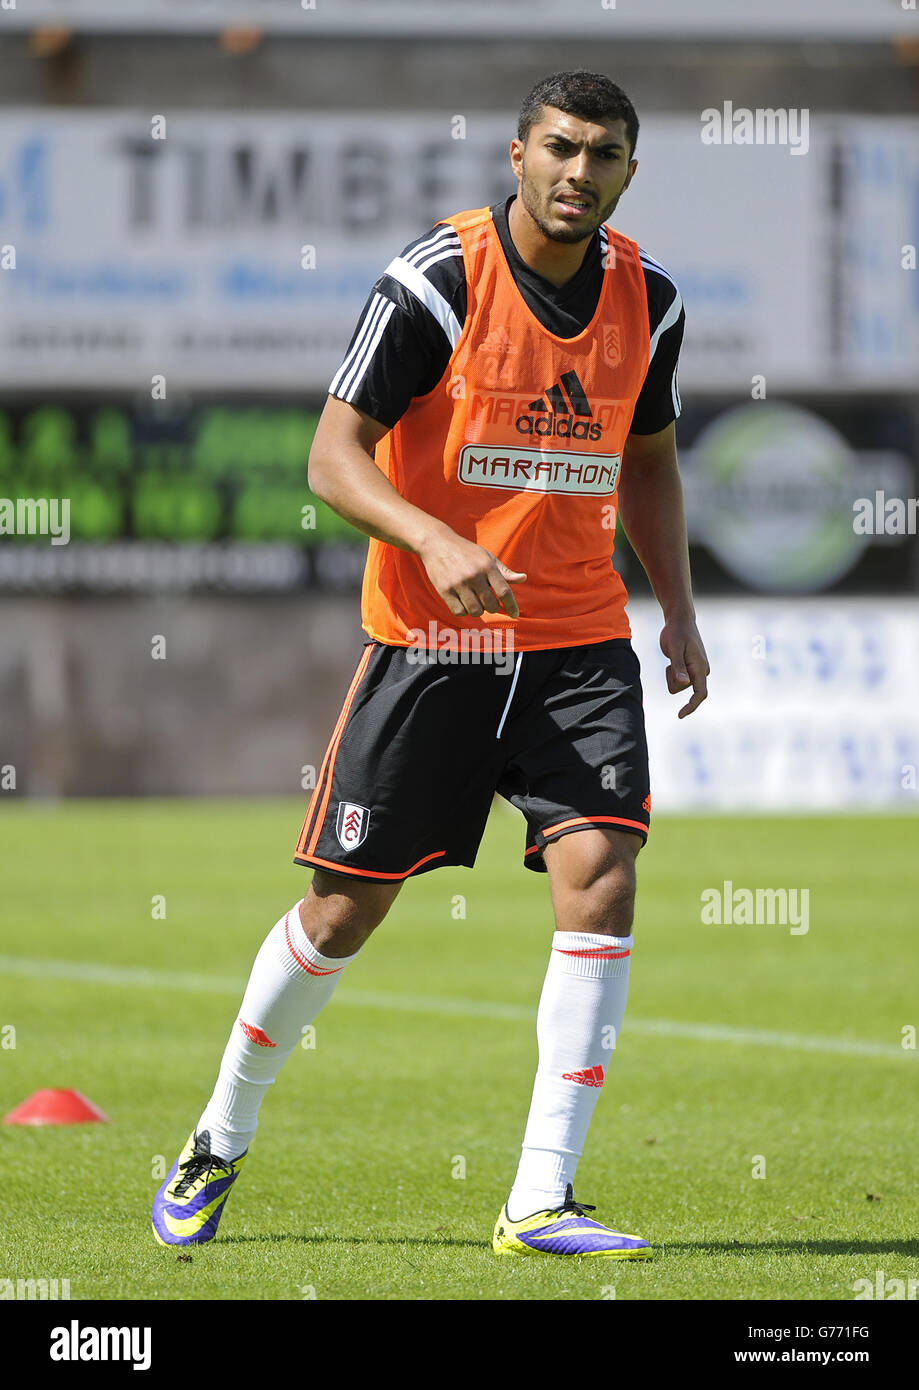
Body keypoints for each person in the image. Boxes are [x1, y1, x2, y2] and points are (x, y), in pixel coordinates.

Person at [153, 69, 709, 1260]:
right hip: (432, 646)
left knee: (602, 873)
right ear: (515, 155)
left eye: (604, 155)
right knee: (346, 908)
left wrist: (677, 609)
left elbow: (650, 460)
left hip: (576, 643)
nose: (579, 172)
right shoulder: (435, 281)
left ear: (625, 173)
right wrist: (432, 534)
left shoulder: (649, 300)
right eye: (560, 148)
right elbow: (330, 459)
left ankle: (538, 1200)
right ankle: (217, 1131)